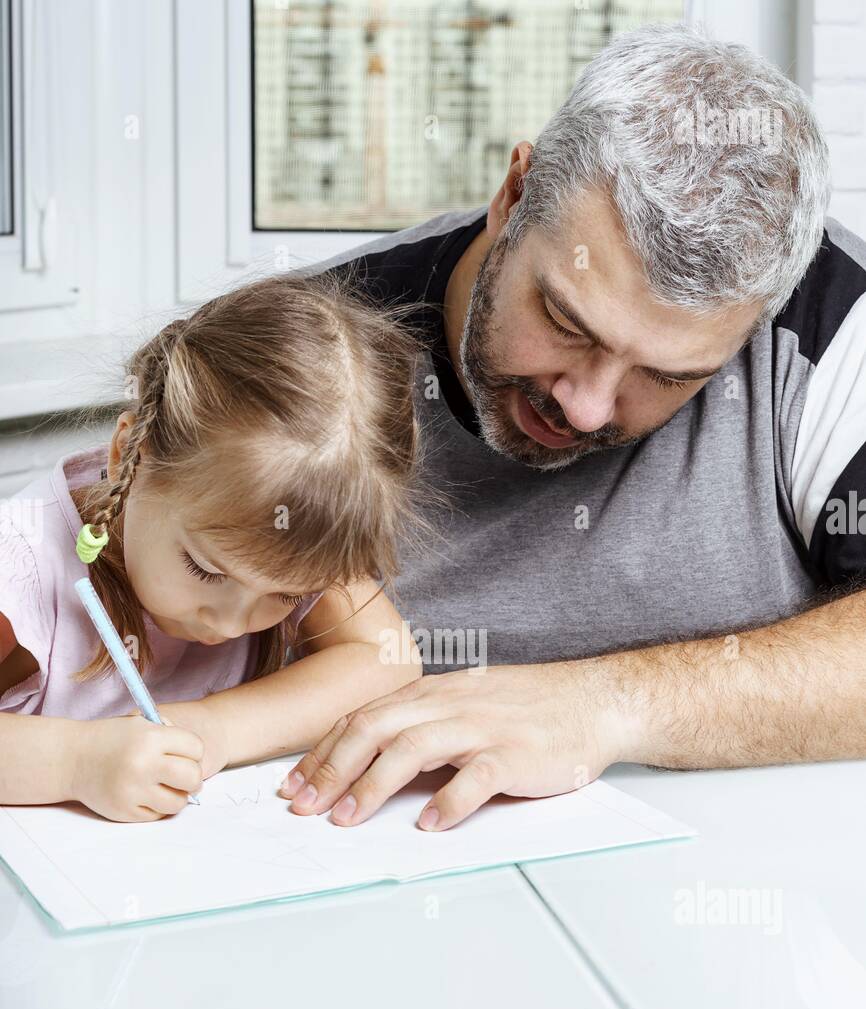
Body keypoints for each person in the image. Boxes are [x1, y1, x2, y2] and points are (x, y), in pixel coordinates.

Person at [277, 23, 866, 833]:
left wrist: (607, 705)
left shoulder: (834, 325)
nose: (585, 406)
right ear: (514, 197)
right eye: (565, 320)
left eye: (669, 375)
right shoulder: (299, 347)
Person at [0, 273, 426, 821]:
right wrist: (73, 763)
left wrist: (218, 728)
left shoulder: (290, 536)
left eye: (286, 596)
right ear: (130, 454)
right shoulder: (22, 570)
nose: (230, 625)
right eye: (204, 571)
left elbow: (387, 660)